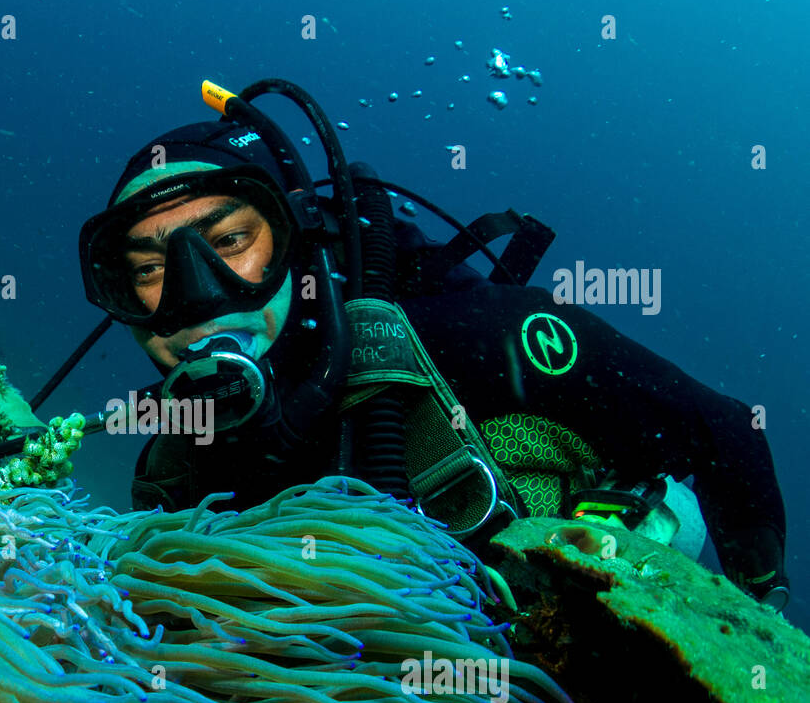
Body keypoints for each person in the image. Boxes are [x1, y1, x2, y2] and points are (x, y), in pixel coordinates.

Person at [77, 80, 788, 607]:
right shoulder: (175, 463)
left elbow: (723, 429)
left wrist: (758, 612)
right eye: (146, 271)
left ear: (299, 239)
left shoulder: (489, 340)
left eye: (231, 241)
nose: (197, 295)